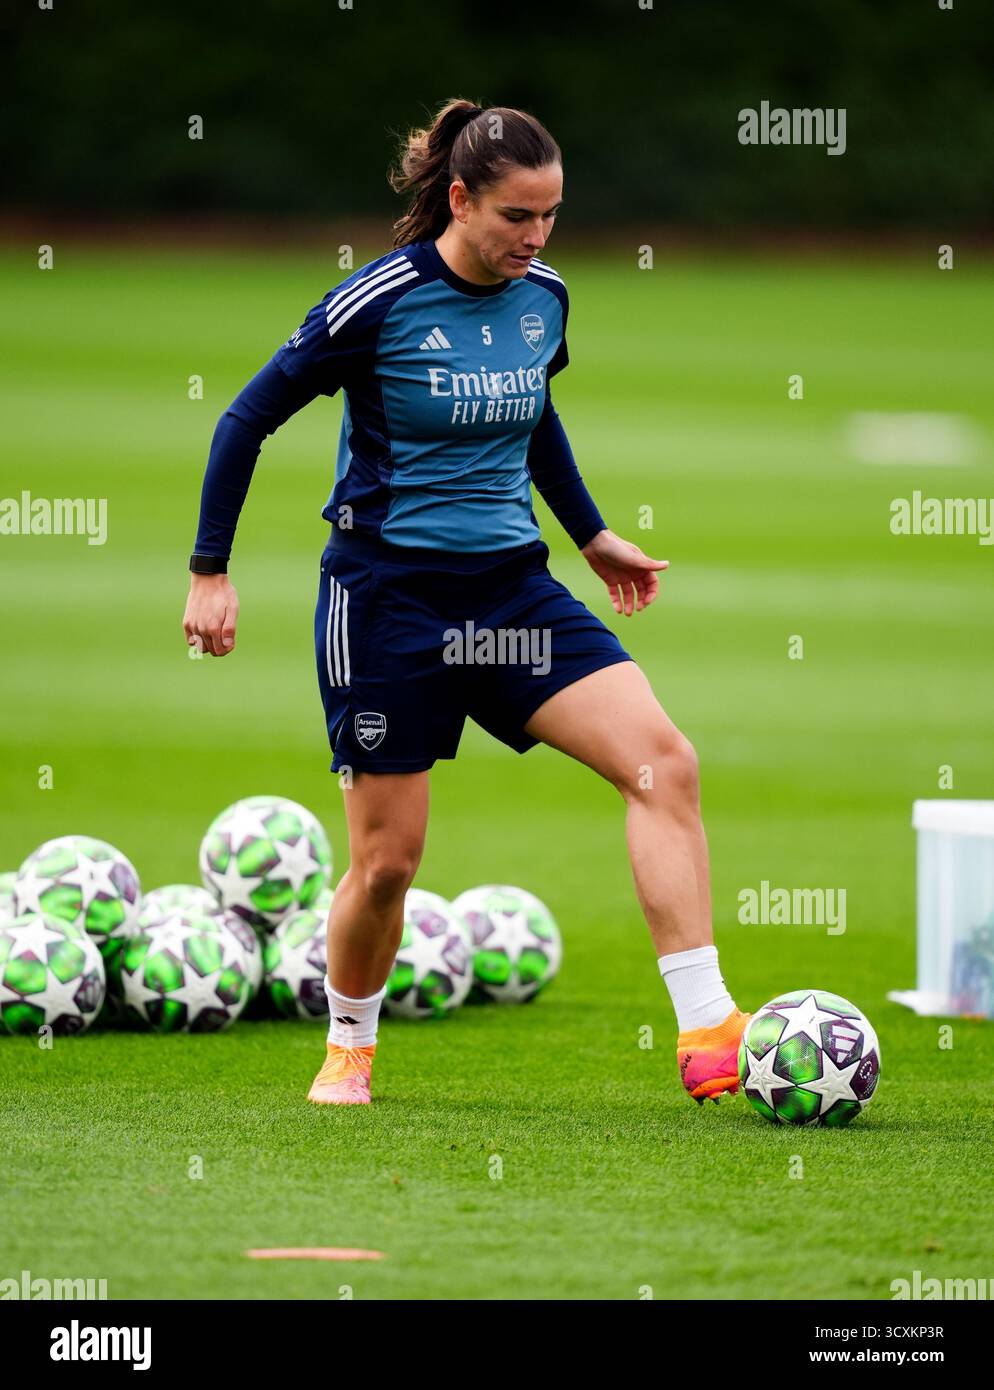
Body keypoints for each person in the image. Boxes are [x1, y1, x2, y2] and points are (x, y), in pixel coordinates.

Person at [183, 99, 750, 1107]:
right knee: (389, 863)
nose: (534, 240)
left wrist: (591, 534)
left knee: (664, 763)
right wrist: (209, 569)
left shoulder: (546, 298)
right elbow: (244, 418)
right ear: (458, 197)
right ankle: (348, 1048)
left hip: (512, 594)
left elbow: (533, 412)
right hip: (387, 601)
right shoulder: (376, 302)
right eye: (515, 218)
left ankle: (707, 1026)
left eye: (550, 217)